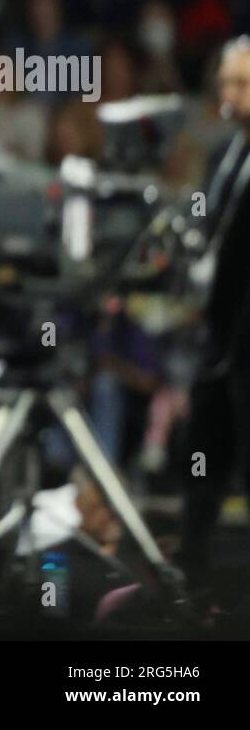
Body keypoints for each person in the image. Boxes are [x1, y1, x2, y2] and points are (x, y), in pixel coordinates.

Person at [179, 36, 250, 596]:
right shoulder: (227, 152)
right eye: (225, 83)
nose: (230, 95)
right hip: (220, 338)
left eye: (242, 84)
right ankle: (191, 586)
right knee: (203, 458)